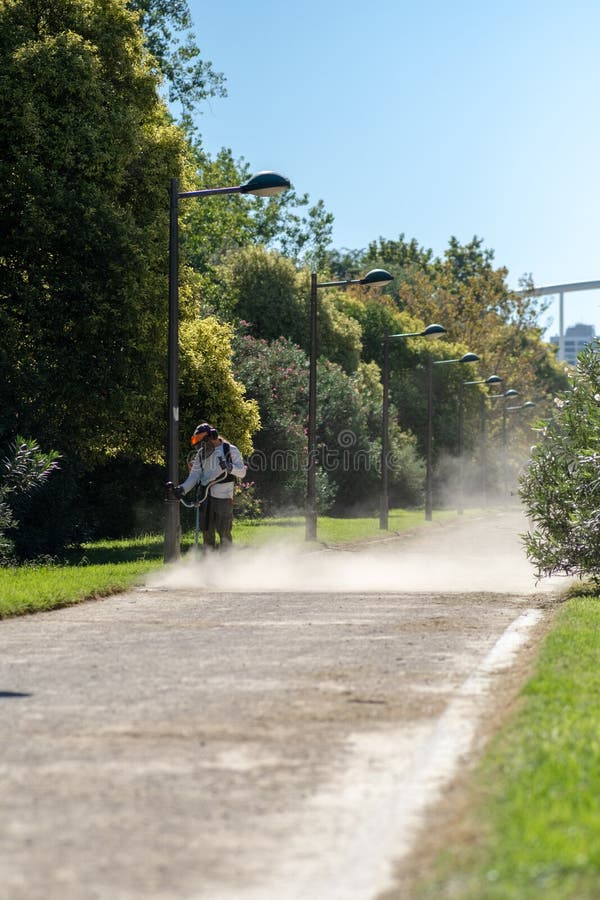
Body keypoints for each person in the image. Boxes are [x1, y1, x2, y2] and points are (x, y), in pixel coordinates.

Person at [170, 423, 247, 550]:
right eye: (198, 445)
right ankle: (208, 565)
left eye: (202, 443)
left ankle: (227, 564)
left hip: (224, 498)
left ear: (211, 436)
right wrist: (182, 489)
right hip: (205, 499)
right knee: (207, 535)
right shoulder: (201, 455)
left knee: (224, 535)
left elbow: (242, 472)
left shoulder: (230, 450)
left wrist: (229, 467)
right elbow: (194, 477)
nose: (200, 448)